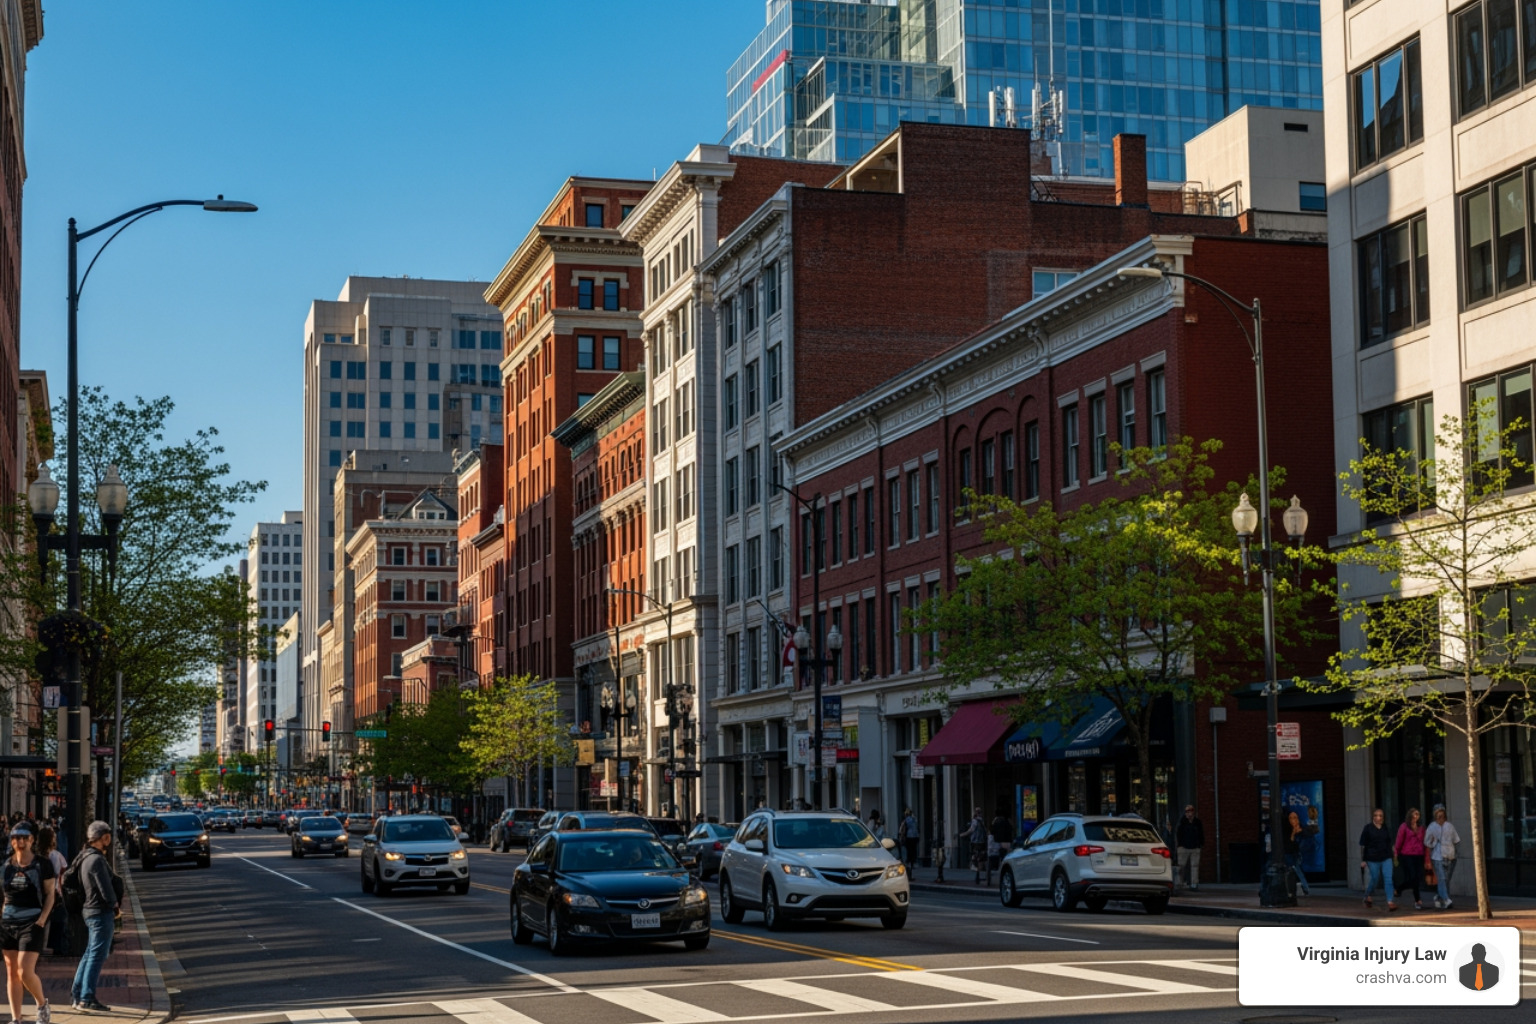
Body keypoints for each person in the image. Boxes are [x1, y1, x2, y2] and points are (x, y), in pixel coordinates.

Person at [1, 823, 53, 1024]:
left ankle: (41, 1004)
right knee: (11, 972)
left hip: (32, 922)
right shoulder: (6, 866)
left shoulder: (42, 864)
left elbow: (50, 894)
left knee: (24, 970)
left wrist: (42, 919)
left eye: (24, 837)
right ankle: (16, 1018)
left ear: (32, 840)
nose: (20, 842)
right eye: (16, 838)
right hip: (8, 924)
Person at [69, 821, 118, 1013]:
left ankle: (77, 994)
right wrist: (115, 906)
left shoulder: (85, 856)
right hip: (100, 912)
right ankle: (87, 997)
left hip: (89, 910)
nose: (110, 840)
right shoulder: (97, 860)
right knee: (96, 956)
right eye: (108, 836)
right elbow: (106, 889)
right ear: (102, 838)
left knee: (90, 953)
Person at [33, 827, 67, 956]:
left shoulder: (35, 856)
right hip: (55, 892)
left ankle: (37, 947)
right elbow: (62, 872)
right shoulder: (57, 856)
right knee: (57, 920)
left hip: (38, 893)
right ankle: (56, 946)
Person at [1359, 807, 1396, 911]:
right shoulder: (1368, 828)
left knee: (1388, 879)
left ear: (1383, 817)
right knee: (1375, 878)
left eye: (1380, 816)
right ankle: (1367, 895)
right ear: (1373, 817)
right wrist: (1363, 860)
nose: (1378, 818)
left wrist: (1393, 854)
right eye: (1376, 815)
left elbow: (1389, 842)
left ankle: (1390, 901)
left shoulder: (1385, 828)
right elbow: (1363, 845)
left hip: (1386, 856)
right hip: (1372, 857)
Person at [1425, 804, 1460, 910]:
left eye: (1442, 815)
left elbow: (1456, 840)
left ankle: (1439, 897)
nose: (1440, 817)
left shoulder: (1449, 826)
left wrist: (1456, 853)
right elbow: (1426, 842)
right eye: (1438, 815)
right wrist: (1432, 842)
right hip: (1437, 856)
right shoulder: (1432, 827)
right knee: (1441, 878)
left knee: (1446, 880)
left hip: (1450, 855)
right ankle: (1446, 899)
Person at [1393, 807, 1426, 910]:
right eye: (1414, 815)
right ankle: (1418, 900)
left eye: (1417, 815)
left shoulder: (1421, 828)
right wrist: (1396, 853)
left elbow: (1424, 841)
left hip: (1419, 854)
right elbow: (1399, 840)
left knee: (1418, 877)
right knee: (1413, 877)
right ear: (1410, 816)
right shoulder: (1404, 826)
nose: (1415, 817)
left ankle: (1399, 888)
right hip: (1407, 855)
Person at [1282, 810, 1313, 897]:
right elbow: (1289, 843)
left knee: (1297, 869)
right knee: (1292, 870)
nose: (1293, 820)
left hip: (1295, 853)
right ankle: (1295, 888)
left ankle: (1304, 888)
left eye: (1295, 818)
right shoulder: (1287, 830)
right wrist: (1293, 833)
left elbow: (1302, 843)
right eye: (1291, 818)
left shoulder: (1302, 831)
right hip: (1289, 852)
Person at [1175, 805, 1204, 891]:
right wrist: (1179, 845)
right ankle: (1179, 883)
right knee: (1181, 866)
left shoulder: (1197, 822)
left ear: (1193, 812)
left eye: (1190, 812)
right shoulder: (1182, 822)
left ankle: (1194, 884)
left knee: (1195, 866)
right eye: (1187, 812)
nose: (1188, 814)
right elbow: (1178, 833)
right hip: (1184, 847)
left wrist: (1200, 844)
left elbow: (1201, 833)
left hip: (1195, 847)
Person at [966, 807, 987, 884]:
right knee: (980, 858)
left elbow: (971, 830)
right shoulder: (982, 821)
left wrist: (963, 834)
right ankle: (979, 871)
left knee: (974, 856)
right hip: (981, 842)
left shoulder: (974, 821)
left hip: (975, 842)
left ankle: (976, 870)